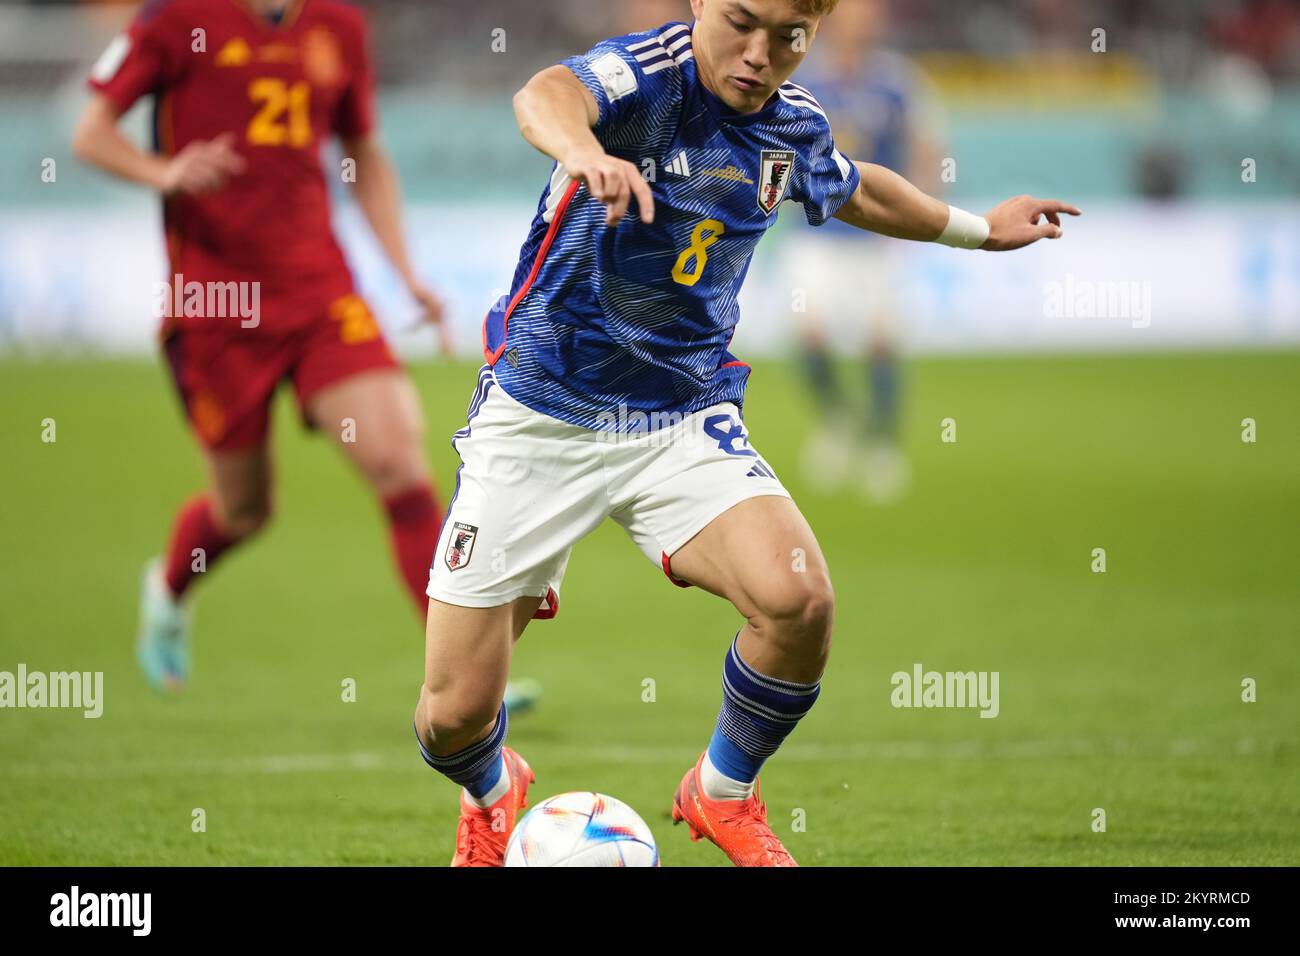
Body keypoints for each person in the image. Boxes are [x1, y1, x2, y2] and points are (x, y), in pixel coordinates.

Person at [414, 0, 1079, 867]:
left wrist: (980, 229)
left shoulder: (792, 128)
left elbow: (858, 186)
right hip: (540, 417)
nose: (761, 55)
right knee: (451, 715)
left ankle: (721, 792)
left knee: (800, 602)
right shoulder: (645, 77)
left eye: (790, 38)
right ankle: (493, 791)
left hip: (680, 417)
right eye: (742, 22)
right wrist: (583, 154)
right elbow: (545, 93)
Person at [73, 0, 449, 691]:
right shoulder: (174, 20)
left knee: (399, 462)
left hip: (318, 291)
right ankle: (168, 587)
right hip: (215, 305)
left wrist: (406, 274)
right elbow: (90, 133)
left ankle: (457, 675)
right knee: (246, 510)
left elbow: (361, 151)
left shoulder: (338, 25)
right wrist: (164, 172)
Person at [783, 0, 947, 501]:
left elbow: (926, 146)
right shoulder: (806, 82)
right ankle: (838, 421)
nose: (861, 22)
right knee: (807, 334)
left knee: (881, 341)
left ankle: (881, 445)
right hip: (818, 235)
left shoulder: (897, 82)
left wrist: (922, 207)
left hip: (877, 237)